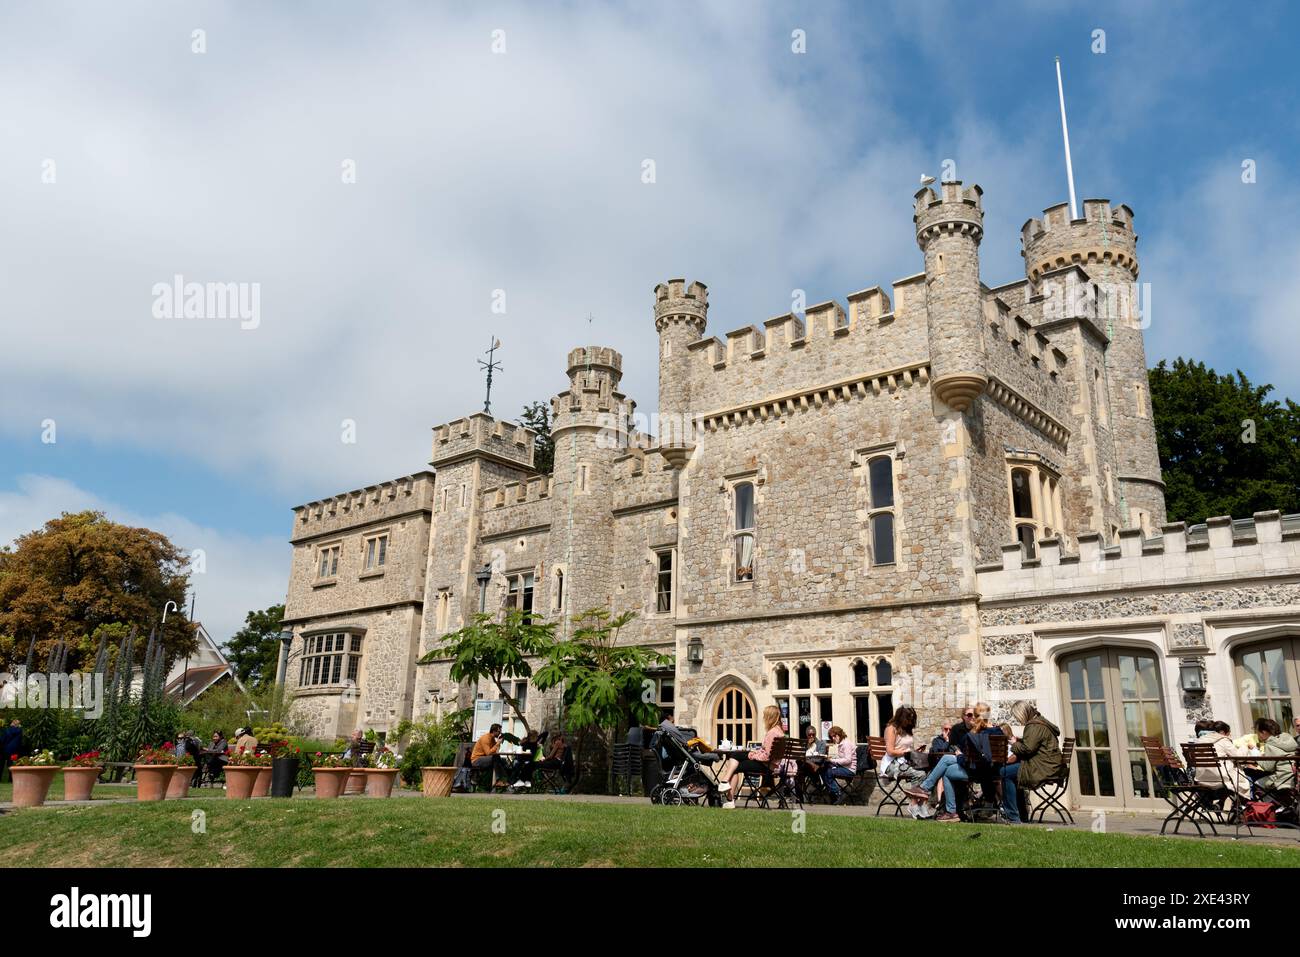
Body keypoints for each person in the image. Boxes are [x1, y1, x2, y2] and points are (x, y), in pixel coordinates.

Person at [905, 703, 995, 821]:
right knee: (947, 770)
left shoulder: (976, 734)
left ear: (978, 717)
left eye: (974, 715)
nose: (972, 718)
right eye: (969, 715)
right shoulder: (995, 730)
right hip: (988, 770)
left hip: (977, 771)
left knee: (947, 760)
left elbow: (966, 755)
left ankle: (929, 792)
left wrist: (960, 756)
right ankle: (948, 809)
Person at [998, 700, 1064, 824]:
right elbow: (1034, 743)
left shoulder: (1033, 726)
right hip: (1050, 766)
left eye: (1017, 717)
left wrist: (1014, 744)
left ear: (1022, 714)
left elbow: (1027, 749)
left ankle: (1013, 816)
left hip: (1043, 768)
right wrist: (1021, 740)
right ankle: (1022, 815)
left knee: (1005, 772)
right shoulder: (1041, 722)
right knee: (1014, 774)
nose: (1018, 720)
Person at [716, 704, 784, 809]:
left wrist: (752, 755)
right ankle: (726, 788)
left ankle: (728, 793)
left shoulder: (772, 733)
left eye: (765, 716)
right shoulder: (779, 731)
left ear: (769, 717)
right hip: (770, 765)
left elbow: (766, 757)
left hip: (766, 766)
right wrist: (755, 752)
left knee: (735, 762)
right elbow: (768, 753)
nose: (763, 718)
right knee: (736, 758)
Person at [881, 705, 932, 819]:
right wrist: (906, 753)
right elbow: (890, 751)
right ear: (901, 717)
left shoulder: (907, 729)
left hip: (905, 762)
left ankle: (921, 803)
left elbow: (905, 749)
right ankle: (914, 804)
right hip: (891, 764)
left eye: (912, 718)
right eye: (908, 718)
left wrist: (914, 752)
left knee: (928, 771)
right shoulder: (891, 729)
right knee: (919, 773)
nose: (910, 721)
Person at [1249, 717, 1297, 798]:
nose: (1257, 735)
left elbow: (1268, 767)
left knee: (1257, 784)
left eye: (1257, 733)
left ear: (1263, 732)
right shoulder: (1287, 737)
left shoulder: (1270, 745)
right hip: (1294, 775)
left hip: (1283, 778)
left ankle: (1272, 808)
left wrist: (1256, 755)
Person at [821, 726, 857, 805]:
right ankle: (832, 793)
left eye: (835, 736)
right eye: (831, 737)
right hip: (843, 767)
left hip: (849, 770)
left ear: (840, 734)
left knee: (829, 772)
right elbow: (842, 758)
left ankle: (838, 793)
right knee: (823, 769)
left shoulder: (846, 744)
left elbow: (848, 760)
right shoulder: (841, 744)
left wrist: (833, 761)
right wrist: (831, 760)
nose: (833, 738)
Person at [795, 724, 827, 798]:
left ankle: (800, 797)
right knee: (798, 773)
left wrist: (808, 760)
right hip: (806, 768)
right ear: (807, 735)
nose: (811, 736)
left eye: (813, 734)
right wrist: (807, 745)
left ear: (815, 734)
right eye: (810, 735)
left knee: (800, 767)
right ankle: (799, 797)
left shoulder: (821, 743)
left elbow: (819, 758)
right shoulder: (804, 744)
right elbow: (800, 756)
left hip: (817, 767)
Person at [1, 719, 23, 783]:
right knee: (12, 764)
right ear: (18, 724)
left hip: (5, 749)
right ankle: (11, 779)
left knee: (4, 764)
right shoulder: (20, 731)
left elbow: (2, 740)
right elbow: (20, 741)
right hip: (14, 750)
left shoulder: (7, 730)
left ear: (12, 723)